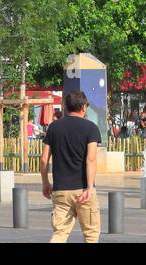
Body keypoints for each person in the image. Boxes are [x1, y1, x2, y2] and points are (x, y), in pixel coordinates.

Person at [41, 90, 102, 244]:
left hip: (61, 189)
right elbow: (91, 159)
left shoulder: (53, 128)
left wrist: (45, 183)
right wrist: (89, 187)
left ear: (67, 107)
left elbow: (43, 161)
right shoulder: (91, 128)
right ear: (83, 107)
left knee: (60, 233)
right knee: (91, 235)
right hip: (82, 190)